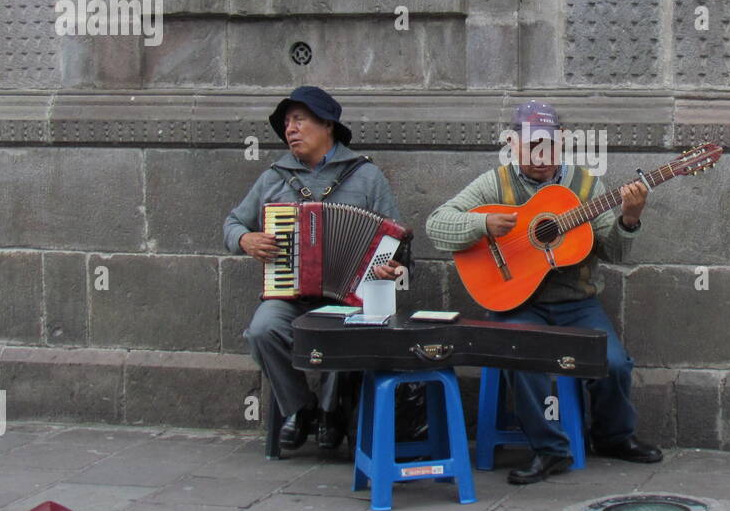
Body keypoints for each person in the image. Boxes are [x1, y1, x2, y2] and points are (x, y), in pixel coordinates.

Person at [426, 100, 662, 484]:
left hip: (576, 303)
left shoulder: (586, 187)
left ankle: (613, 437)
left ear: (562, 144)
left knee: (615, 364)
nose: (539, 155)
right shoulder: (495, 183)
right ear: (513, 144)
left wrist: (629, 219)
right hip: (517, 303)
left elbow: (615, 252)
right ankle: (550, 452)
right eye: (530, 144)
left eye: (548, 145)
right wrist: (483, 224)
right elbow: (437, 225)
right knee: (524, 362)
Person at [224, 86, 404, 453]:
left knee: (349, 325)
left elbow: (396, 241)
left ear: (328, 126)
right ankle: (302, 408)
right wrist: (245, 240)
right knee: (262, 329)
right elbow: (233, 223)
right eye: (287, 122)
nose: (290, 129)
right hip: (291, 295)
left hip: (350, 298)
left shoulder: (366, 176)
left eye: (299, 120)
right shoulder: (274, 177)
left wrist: (390, 268)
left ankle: (331, 412)